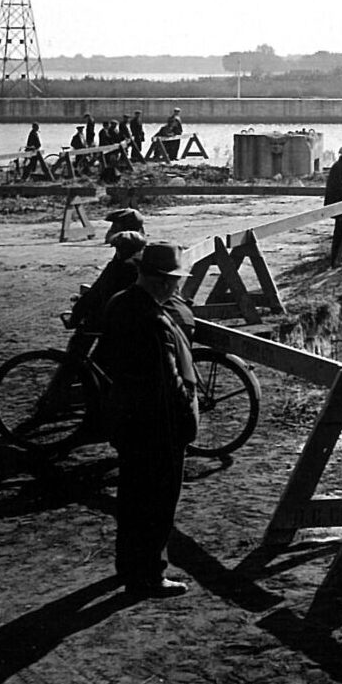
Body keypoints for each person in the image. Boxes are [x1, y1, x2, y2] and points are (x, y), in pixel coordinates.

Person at [93, 241, 200, 598]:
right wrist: (187, 419)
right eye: (175, 281)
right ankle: (150, 576)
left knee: (131, 499)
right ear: (165, 283)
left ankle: (129, 567)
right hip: (158, 426)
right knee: (157, 505)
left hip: (127, 417)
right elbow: (169, 383)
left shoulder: (119, 303)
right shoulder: (154, 320)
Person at [66, 210, 147, 351]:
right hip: (130, 317)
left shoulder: (125, 263)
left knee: (84, 336)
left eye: (115, 227)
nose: (109, 232)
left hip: (120, 320)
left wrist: (77, 313)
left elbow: (101, 290)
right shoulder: (138, 252)